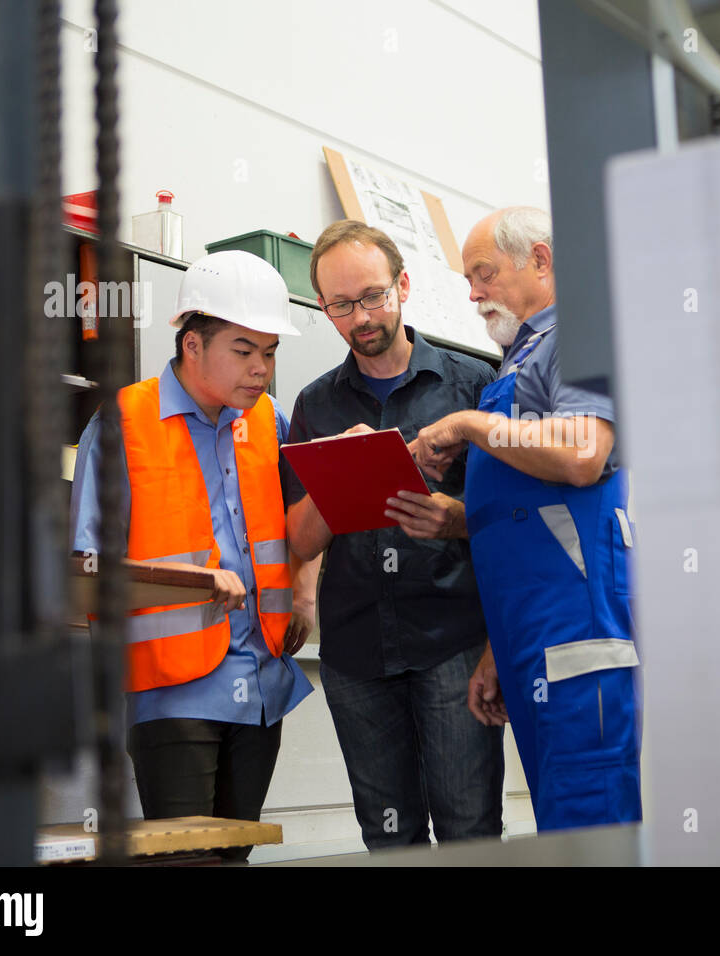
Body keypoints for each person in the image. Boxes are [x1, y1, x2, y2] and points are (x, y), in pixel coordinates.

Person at [70, 250, 318, 861]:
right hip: (171, 689)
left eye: (271, 351)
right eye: (244, 350)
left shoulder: (271, 422)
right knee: (183, 861)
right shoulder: (122, 424)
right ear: (192, 344)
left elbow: (297, 530)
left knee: (234, 856)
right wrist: (189, 579)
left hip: (262, 686)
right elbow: (85, 569)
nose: (261, 369)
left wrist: (306, 591)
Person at [406, 206, 642, 832]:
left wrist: (469, 425)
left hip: (577, 635)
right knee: (559, 823)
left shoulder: (579, 338)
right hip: (530, 638)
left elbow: (582, 456)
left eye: (484, 273)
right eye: (468, 281)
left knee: (590, 826)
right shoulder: (519, 359)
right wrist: (456, 522)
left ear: (540, 260)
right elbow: (527, 514)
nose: (474, 293)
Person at [282, 220, 504, 849]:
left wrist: (454, 518)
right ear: (324, 308)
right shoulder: (314, 404)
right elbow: (298, 541)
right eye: (341, 305)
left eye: (374, 295)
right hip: (357, 653)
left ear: (404, 285)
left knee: (470, 831)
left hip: (453, 643)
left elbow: (516, 519)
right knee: (389, 840)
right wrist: (339, 475)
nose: (361, 316)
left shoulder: (474, 384)